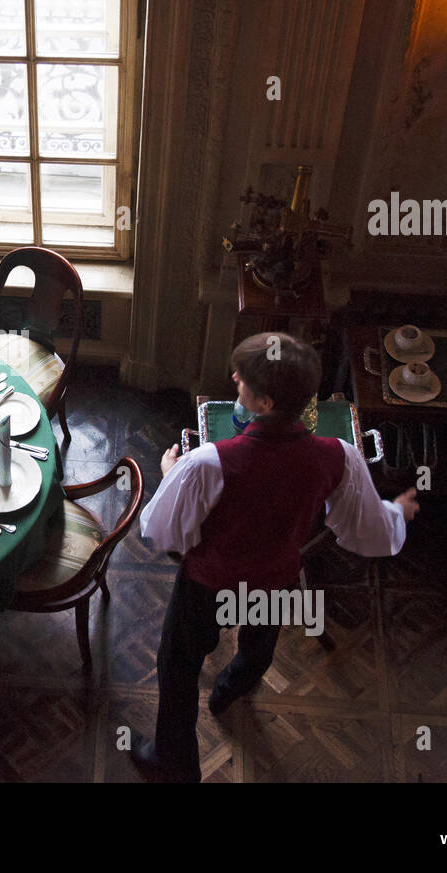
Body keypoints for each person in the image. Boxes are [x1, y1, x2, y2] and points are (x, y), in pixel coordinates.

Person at [132, 332, 420, 782]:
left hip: (209, 586)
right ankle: (232, 689)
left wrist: (171, 476)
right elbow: (366, 530)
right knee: (258, 644)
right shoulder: (339, 455)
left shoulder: (207, 463)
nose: (233, 379)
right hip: (278, 580)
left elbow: (162, 531)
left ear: (265, 403)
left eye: (242, 380)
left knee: (178, 668)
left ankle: (175, 765)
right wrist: (397, 515)